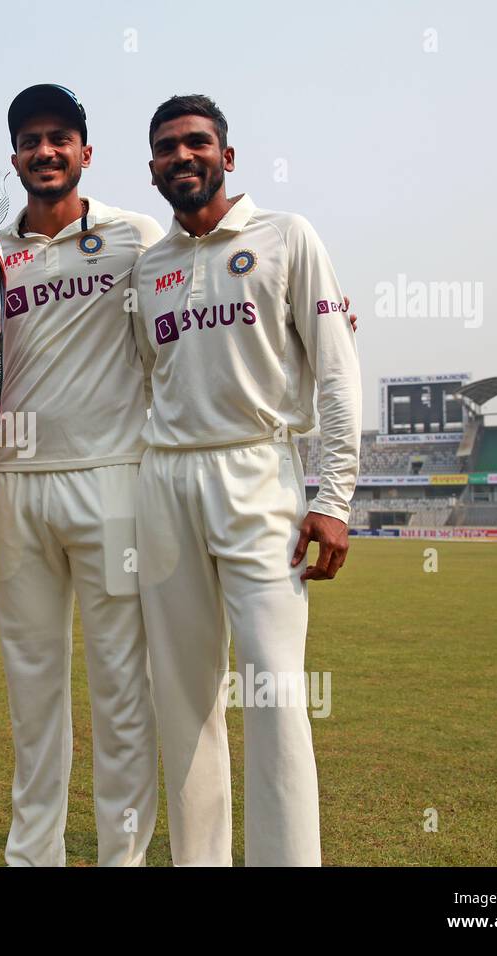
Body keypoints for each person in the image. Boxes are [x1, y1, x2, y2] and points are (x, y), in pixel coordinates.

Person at [131, 94, 362, 866]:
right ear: (154, 167)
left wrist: (333, 499)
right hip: (164, 481)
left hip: (258, 471)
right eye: (167, 148)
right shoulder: (150, 266)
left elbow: (336, 372)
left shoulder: (286, 237)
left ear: (227, 157)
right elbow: (143, 380)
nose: (182, 157)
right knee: (183, 695)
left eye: (197, 143)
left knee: (274, 691)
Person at [0, 84, 163, 867]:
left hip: (113, 478)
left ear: (84, 151)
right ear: (14, 157)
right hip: (19, 486)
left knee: (120, 690)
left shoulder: (134, 237)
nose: (45, 151)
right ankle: (32, 856)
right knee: (31, 686)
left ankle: (122, 858)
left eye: (59, 138)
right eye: (30, 139)